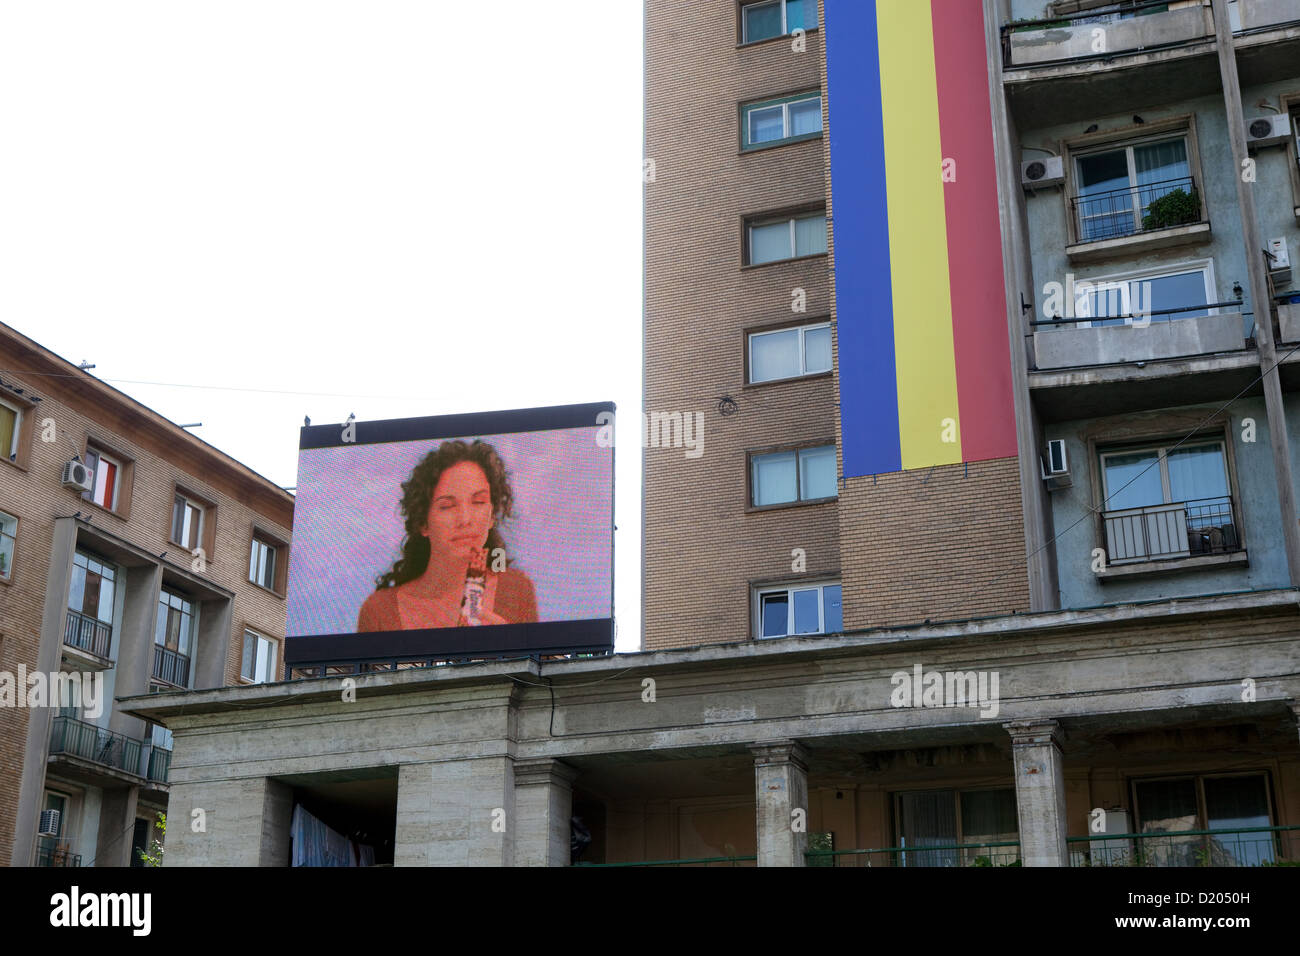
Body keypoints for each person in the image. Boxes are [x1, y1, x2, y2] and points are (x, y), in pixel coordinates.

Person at [357, 439, 538, 631]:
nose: (465, 519)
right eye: (447, 506)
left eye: (478, 502)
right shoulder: (379, 611)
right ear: (423, 523)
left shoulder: (517, 590)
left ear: (492, 516)